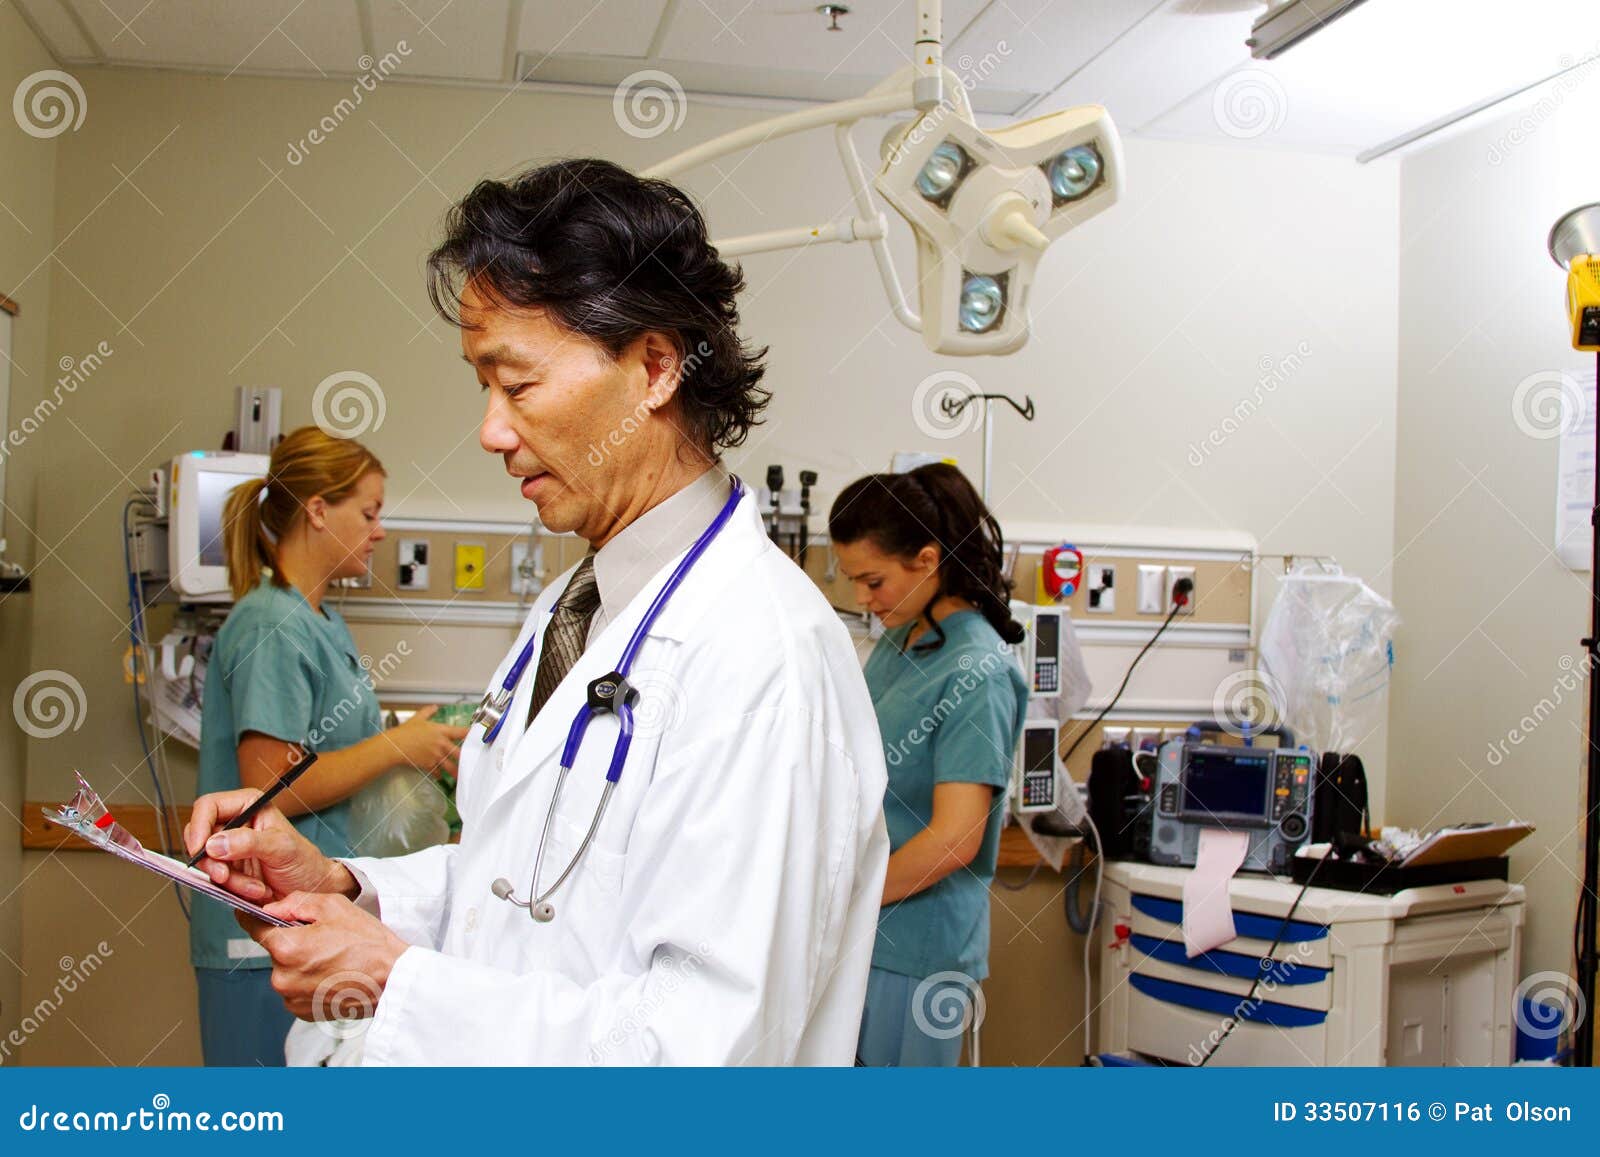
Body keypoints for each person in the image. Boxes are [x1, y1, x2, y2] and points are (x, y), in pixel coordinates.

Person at [184, 159, 890, 1065]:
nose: (490, 430)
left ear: (655, 367)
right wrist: (348, 885)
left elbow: (702, 1047)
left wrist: (403, 984)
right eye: (484, 387)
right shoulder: (573, 607)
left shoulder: (764, 655)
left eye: (517, 385)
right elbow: (516, 883)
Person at [191, 426, 468, 1066]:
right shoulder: (270, 624)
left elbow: (329, 754)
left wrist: (411, 739)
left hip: (309, 913)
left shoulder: (320, 622)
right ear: (318, 510)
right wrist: (396, 745)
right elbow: (268, 789)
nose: (380, 531)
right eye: (368, 513)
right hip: (262, 926)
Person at [828, 464, 1030, 1066]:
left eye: (874, 581)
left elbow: (956, 838)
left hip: (917, 952)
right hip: (866, 935)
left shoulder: (978, 671)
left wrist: (844, 902)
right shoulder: (902, 642)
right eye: (854, 582)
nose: (863, 600)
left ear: (926, 559)